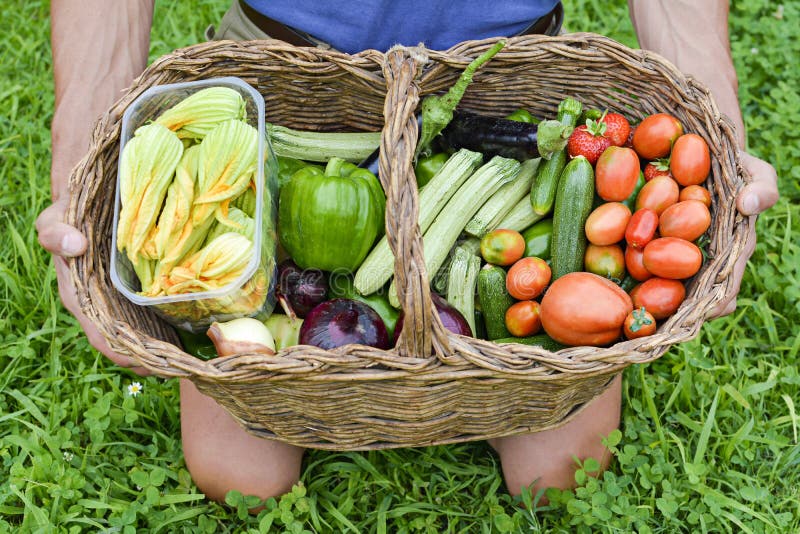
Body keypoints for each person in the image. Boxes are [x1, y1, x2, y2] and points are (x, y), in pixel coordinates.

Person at [37, 0, 779, 504]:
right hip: (288, 66)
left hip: (504, 67)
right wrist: (84, 157)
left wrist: (708, 124)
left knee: (558, 474)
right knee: (238, 476)